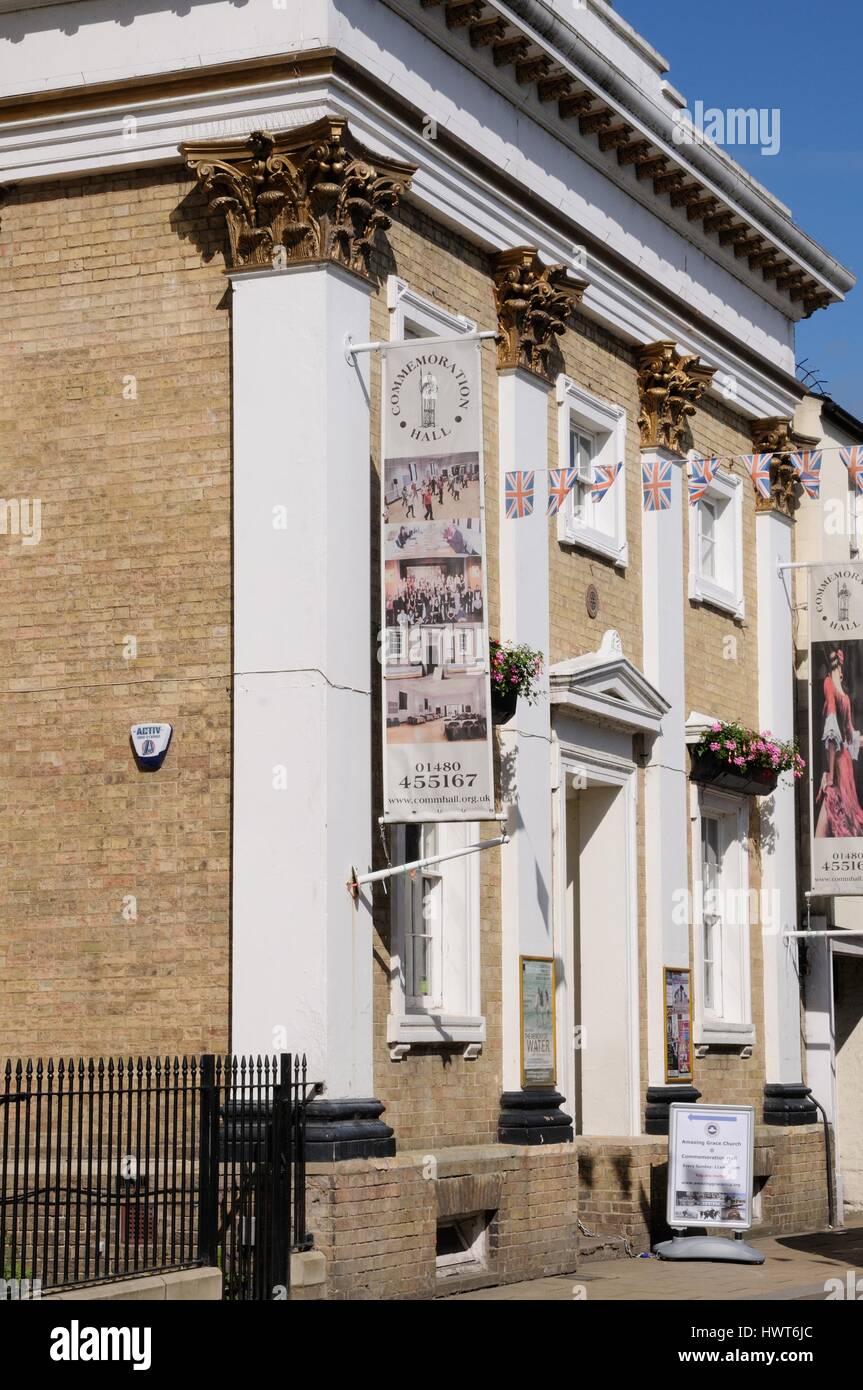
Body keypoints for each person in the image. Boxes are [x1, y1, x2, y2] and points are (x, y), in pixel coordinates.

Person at [815, 646, 863, 838]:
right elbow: (851, 737)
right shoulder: (845, 697)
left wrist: (830, 776)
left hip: (837, 766)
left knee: (830, 813)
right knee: (842, 817)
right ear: (840, 668)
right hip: (846, 766)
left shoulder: (828, 684)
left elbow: (833, 736)